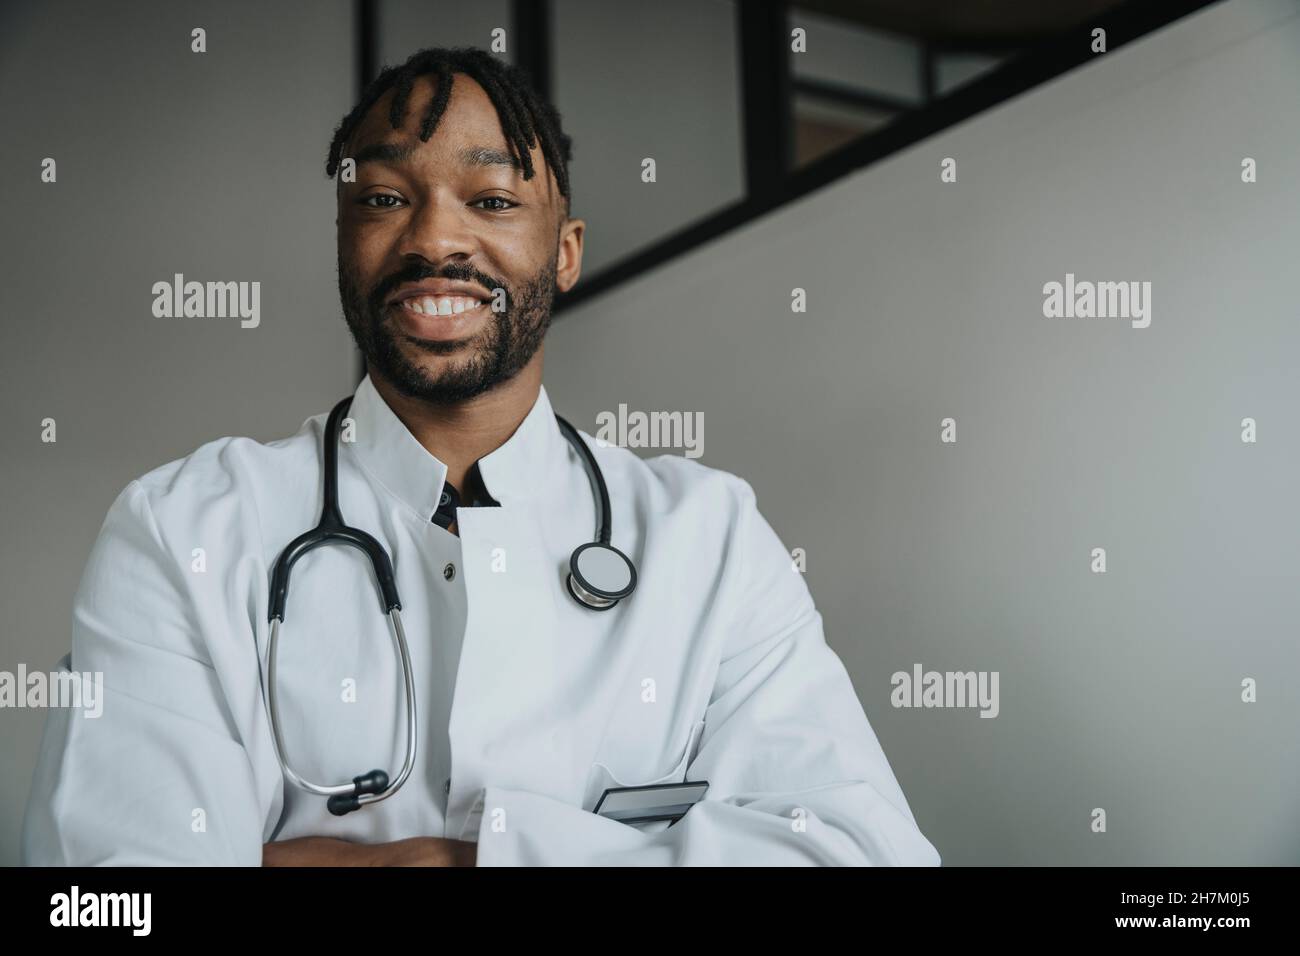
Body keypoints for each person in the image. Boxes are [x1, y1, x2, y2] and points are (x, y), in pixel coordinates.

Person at [21, 47, 940, 867]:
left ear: (566, 253)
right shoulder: (181, 531)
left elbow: (865, 854)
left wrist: (457, 862)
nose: (433, 239)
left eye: (492, 200)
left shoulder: (713, 539)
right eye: (383, 198)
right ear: (344, 241)